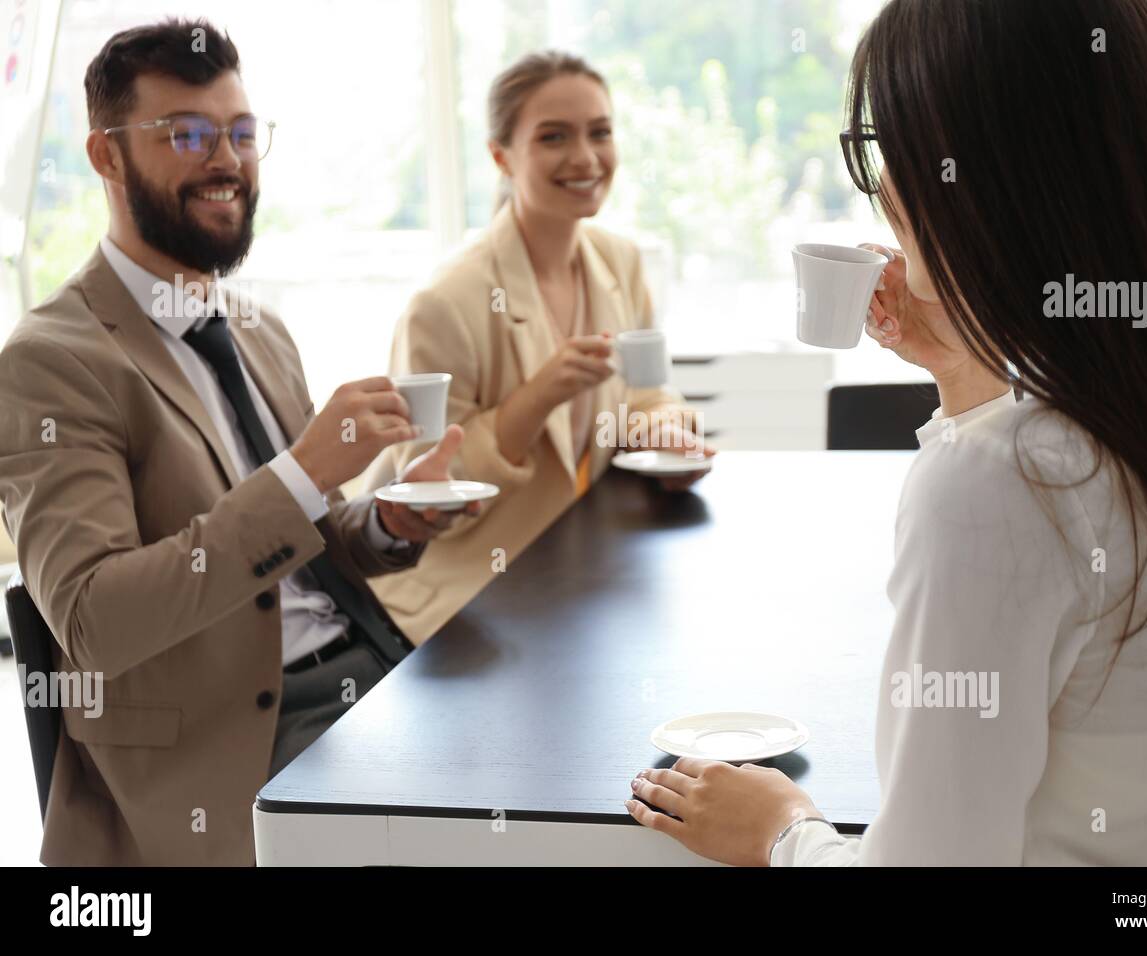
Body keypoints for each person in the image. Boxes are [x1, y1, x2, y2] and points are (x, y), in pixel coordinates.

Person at [624, 0, 1147, 865]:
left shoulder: (1001, 481)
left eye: (886, 149)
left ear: (974, 176)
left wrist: (785, 833)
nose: (883, 188)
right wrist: (967, 374)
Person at [0, 19, 475, 865]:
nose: (226, 160)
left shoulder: (260, 332)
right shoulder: (50, 362)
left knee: (578, 774)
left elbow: (299, 546)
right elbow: (93, 621)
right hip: (237, 740)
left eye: (241, 133)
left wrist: (386, 524)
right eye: (185, 134)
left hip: (371, 671)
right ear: (106, 158)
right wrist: (300, 474)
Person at [365, 51, 711, 643]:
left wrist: (669, 432)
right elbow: (422, 495)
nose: (585, 157)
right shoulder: (444, 305)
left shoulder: (620, 263)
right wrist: (539, 395)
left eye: (600, 132)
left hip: (585, 569)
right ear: (502, 157)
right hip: (471, 597)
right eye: (554, 137)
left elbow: (650, 394)